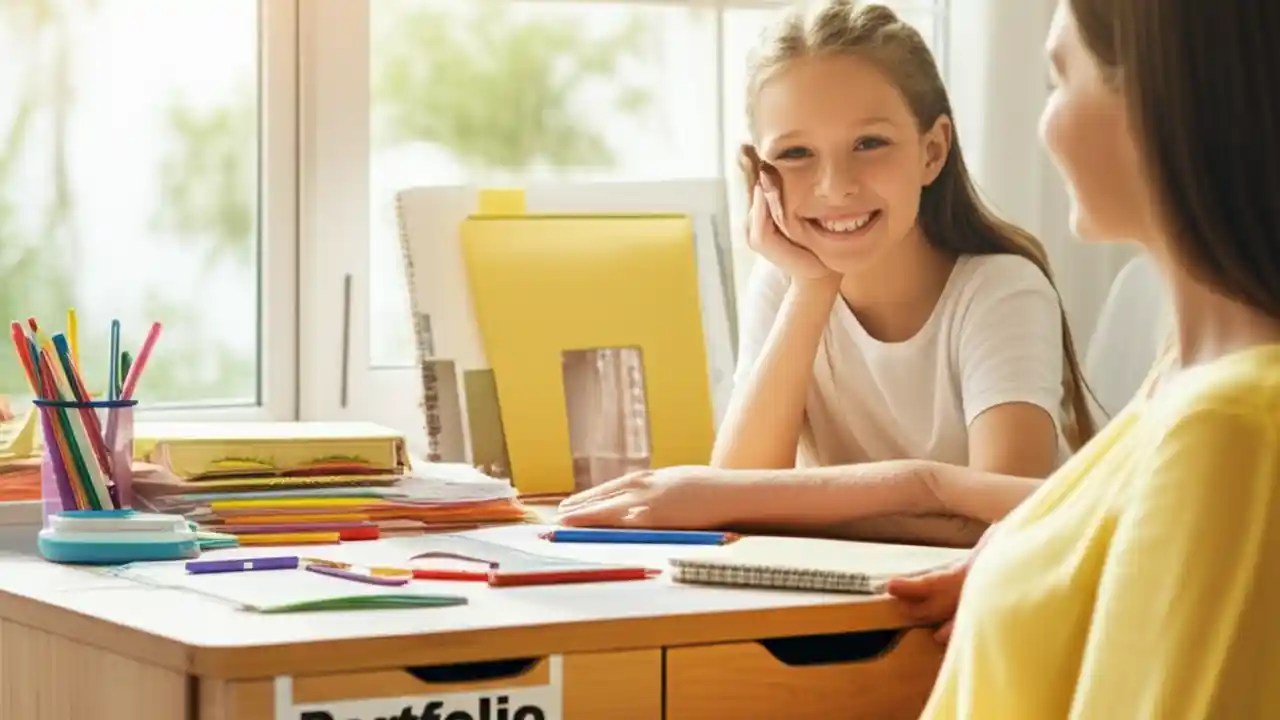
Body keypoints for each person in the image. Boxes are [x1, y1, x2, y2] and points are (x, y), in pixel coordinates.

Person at [557, 1, 1095, 547]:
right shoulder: (786, 285)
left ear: (932, 151)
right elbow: (737, 497)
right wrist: (813, 287)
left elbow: (1001, 518)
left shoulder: (1000, 291)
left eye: (869, 143)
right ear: (760, 174)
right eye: (795, 153)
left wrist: (778, 507)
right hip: (854, 599)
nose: (835, 186)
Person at [892, 0, 1280, 716]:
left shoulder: (1229, 426)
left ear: (1160, 101)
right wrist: (1033, 558)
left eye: (1058, 80)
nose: (1045, 125)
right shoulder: (1178, 383)